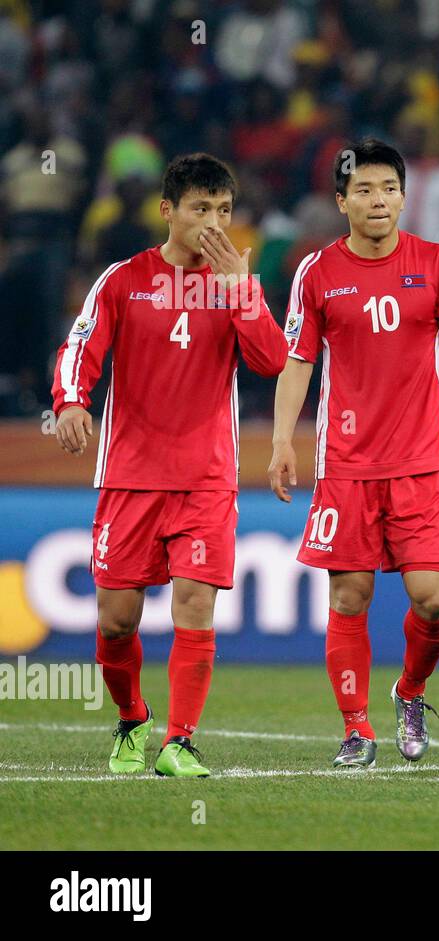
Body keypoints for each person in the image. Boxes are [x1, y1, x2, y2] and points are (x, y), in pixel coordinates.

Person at [52, 153, 288, 777]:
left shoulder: (237, 284)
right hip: (130, 475)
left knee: (194, 608)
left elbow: (271, 360)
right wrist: (72, 401)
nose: (215, 222)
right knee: (116, 618)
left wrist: (240, 285)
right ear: (168, 211)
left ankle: (179, 742)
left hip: (207, 478)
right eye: (201, 209)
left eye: (225, 210)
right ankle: (132, 719)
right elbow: (80, 346)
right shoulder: (124, 280)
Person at [269, 138, 439, 769]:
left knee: (433, 600)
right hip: (348, 465)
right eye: (363, 190)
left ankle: (410, 691)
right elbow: (298, 361)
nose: (379, 200)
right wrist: (283, 439)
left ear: (404, 194)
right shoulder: (317, 272)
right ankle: (356, 727)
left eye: (388, 188)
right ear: (341, 202)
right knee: (349, 597)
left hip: (420, 461)